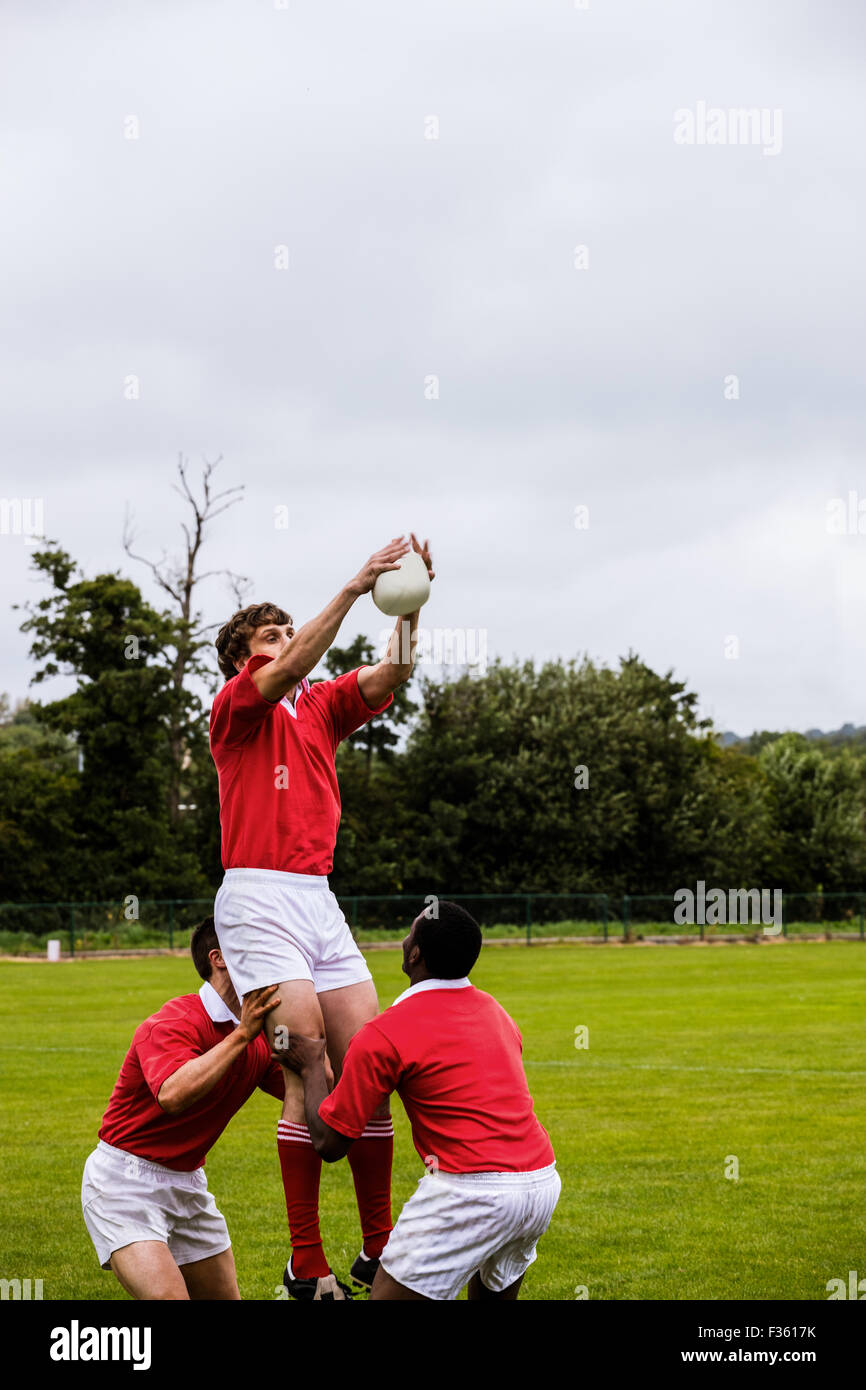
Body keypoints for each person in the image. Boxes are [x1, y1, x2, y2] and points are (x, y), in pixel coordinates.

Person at [210, 533, 434, 1299]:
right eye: (267, 636)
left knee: (367, 1066)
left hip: (316, 896)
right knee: (303, 1050)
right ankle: (306, 1265)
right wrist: (354, 585)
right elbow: (296, 661)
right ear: (245, 660)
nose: (284, 638)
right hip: (256, 896)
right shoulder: (238, 707)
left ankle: (378, 1251)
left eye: (283, 628)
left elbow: (392, 672)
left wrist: (411, 604)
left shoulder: (321, 703)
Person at [277, 902, 561, 1302]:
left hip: (469, 1190)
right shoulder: (497, 1013)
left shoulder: (384, 1032)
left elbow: (329, 1144)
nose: (404, 938)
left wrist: (310, 1067)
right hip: (540, 1181)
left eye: (410, 933)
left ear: (415, 954)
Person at [80, 918, 286, 1300]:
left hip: (188, 1184)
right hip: (124, 1183)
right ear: (219, 958)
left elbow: (311, 1097)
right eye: (251, 944)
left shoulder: (257, 1035)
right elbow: (173, 1094)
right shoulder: (175, 1020)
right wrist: (242, 1034)